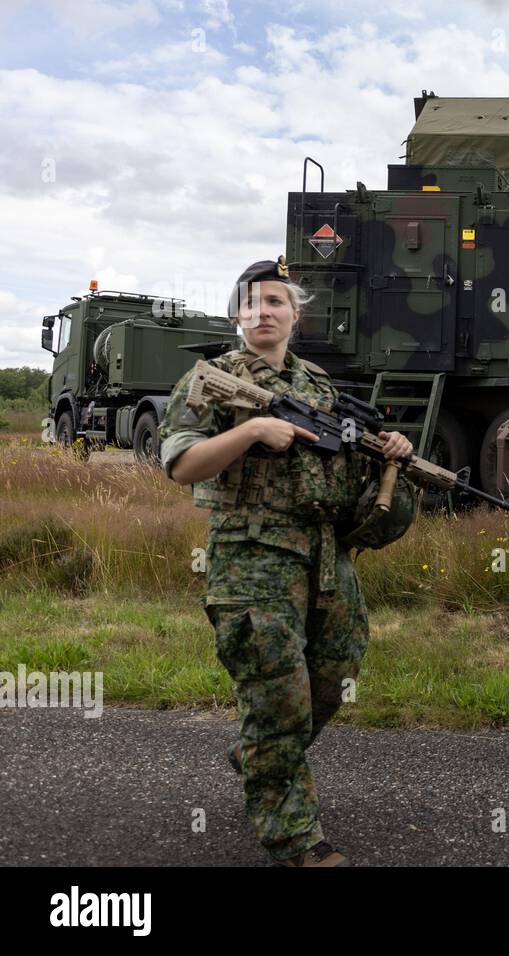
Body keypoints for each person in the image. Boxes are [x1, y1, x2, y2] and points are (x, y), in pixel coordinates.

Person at [158, 256, 413, 867]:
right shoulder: (211, 379)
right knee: (278, 700)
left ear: (296, 315)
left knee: (334, 678)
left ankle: (259, 757)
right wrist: (251, 433)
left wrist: (391, 457)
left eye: (275, 302)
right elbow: (181, 464)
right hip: (253, 560)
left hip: (328, 560)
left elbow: (357, 493)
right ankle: (296, 839)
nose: (263, 312)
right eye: (251, 303)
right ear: (237, 316)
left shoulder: (324, 391)